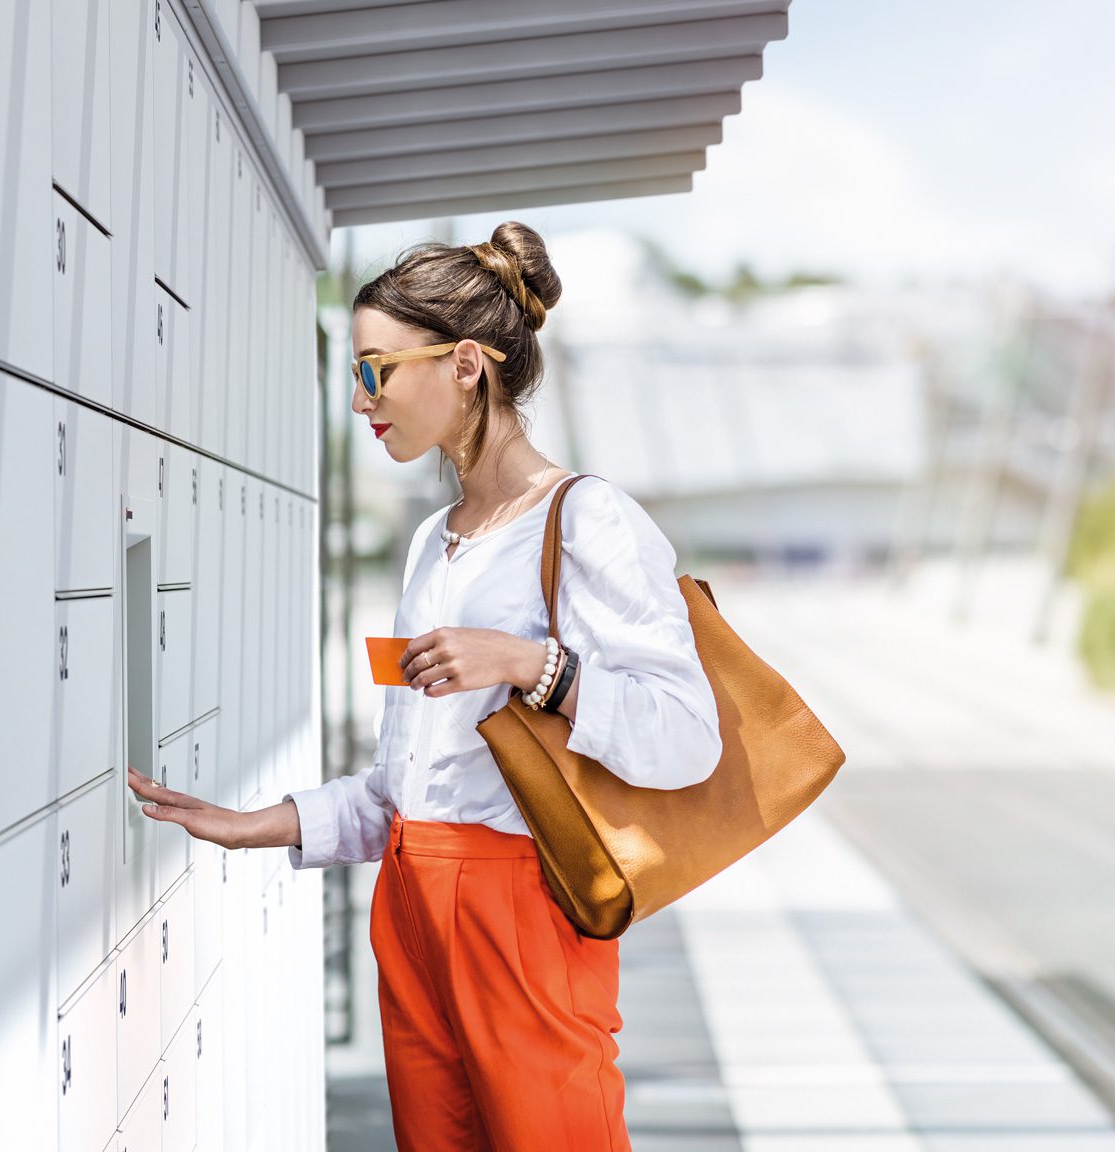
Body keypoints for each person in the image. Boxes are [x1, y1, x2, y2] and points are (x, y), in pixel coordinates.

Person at [126, 220, 723, 1151]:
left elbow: (690, 735)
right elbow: (401, 792)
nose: (362, 400)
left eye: (376, 370)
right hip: (408, 900)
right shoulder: (431, 541)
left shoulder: (588, 519)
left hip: (520, 912)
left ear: (467, 366)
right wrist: (256, 825)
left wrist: (534, 665)